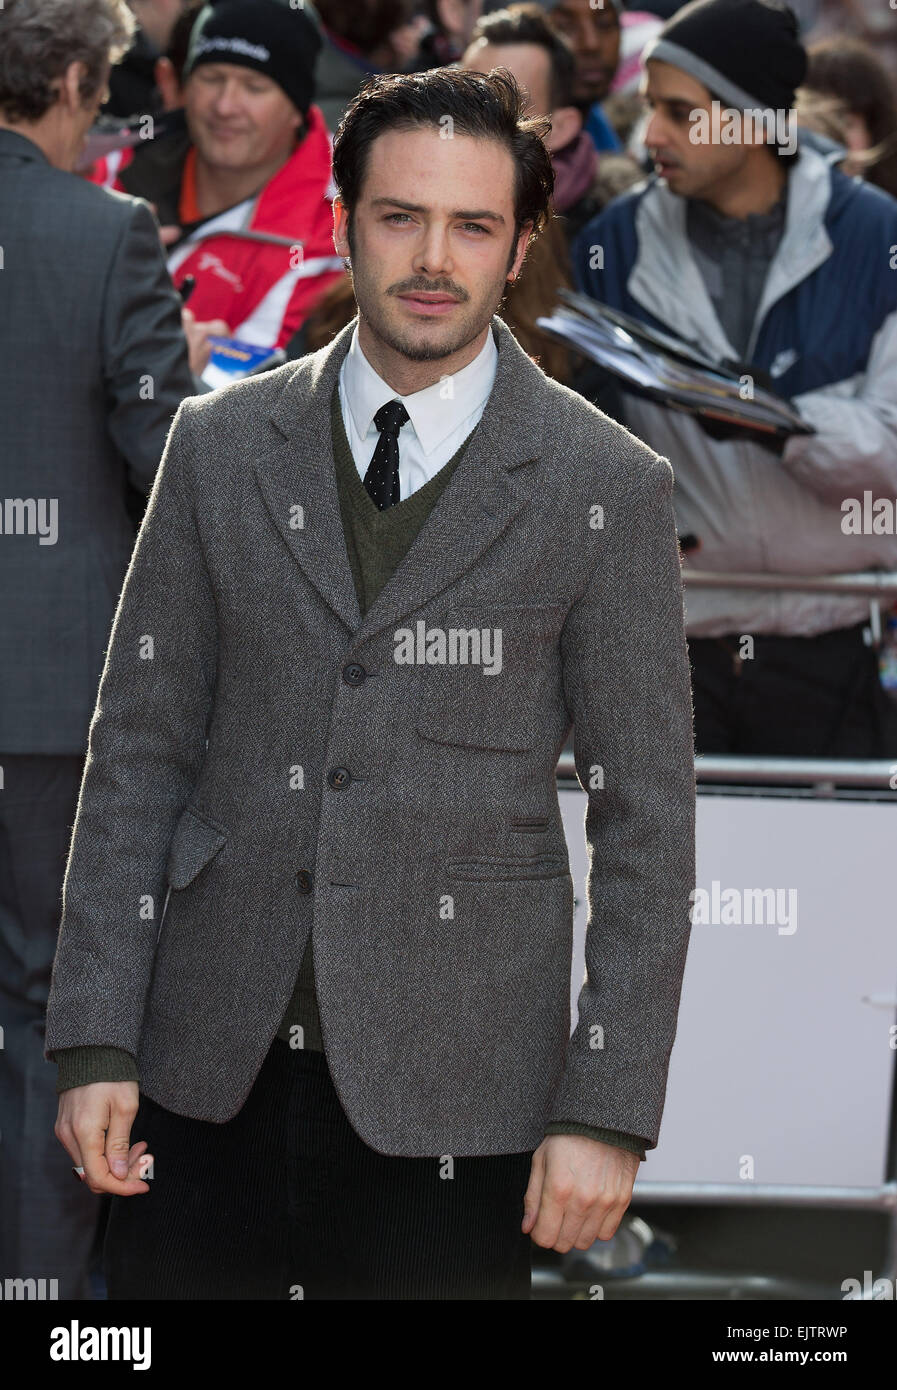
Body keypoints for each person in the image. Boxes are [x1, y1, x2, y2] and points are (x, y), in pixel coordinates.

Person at [46, 65, 695, 1301]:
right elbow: (138, 753)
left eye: (474, 225)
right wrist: (92, 1034)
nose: (435, 258)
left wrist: (607, 1109)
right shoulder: (219, 445)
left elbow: (648, 824)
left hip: (461, 1097)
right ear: (341, 221)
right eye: (401, 216)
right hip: (201, 1068)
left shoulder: (603, 486)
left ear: (520, 248)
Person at [0, 0, 205, 1301]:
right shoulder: (106, 232)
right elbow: (171, 463)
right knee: (48, 1020)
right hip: (45, 702)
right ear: (79, 78)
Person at [571, 0, 897, 757]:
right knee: (670, 875)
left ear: (750, 120)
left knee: (838, 875)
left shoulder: (877, 236)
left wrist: (774, 422)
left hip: (836, 633)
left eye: (679, 113)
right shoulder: (607, 244)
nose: (649, 135)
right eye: (650, 107)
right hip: (670, 647)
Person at [95, 0, 345, 351]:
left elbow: (267, 388)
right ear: (184, 87)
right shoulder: (107, 161)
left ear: (297, 110)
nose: (225, 106)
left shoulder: (332, 227)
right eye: (211, 78)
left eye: (254, 87)